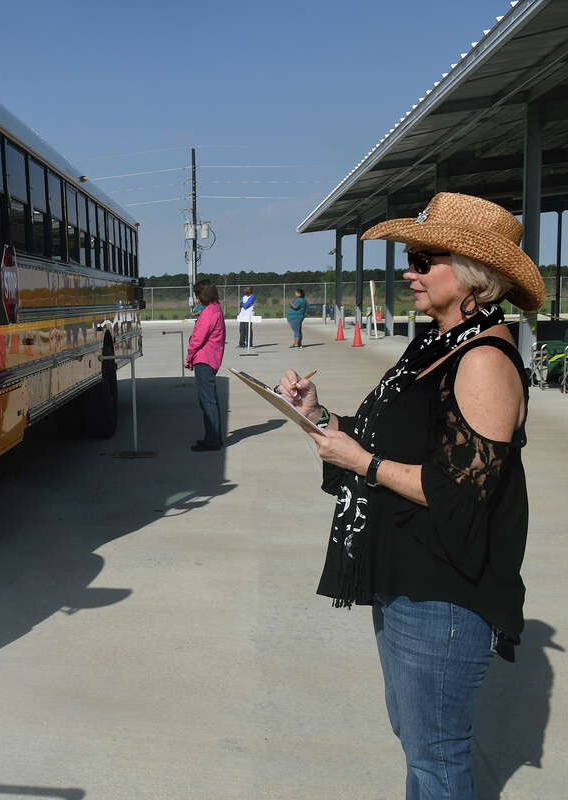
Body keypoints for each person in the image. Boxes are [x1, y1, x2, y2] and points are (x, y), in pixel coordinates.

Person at [277, 193, 544, 800]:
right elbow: (396, 442)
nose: (409, 271)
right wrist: (319, 417)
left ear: (473, 275)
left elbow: (463, 494)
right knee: (419, 743)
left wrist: (362, 463)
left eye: (424, 259)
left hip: (444, 594)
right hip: (408, 571)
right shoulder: (436, 344)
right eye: (410, 257)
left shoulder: (483, 359)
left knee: (437, 758)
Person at [185, 279, 226, 451]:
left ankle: (212, 441)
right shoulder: (216, 309)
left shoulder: (208, 313)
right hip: (212, 359)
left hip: (205, 360)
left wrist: (189, 356)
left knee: (207, 402)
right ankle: (214, 437)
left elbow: (197, 339)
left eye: (197, 295)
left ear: (202, 296)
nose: (196, 299)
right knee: (211, 401)